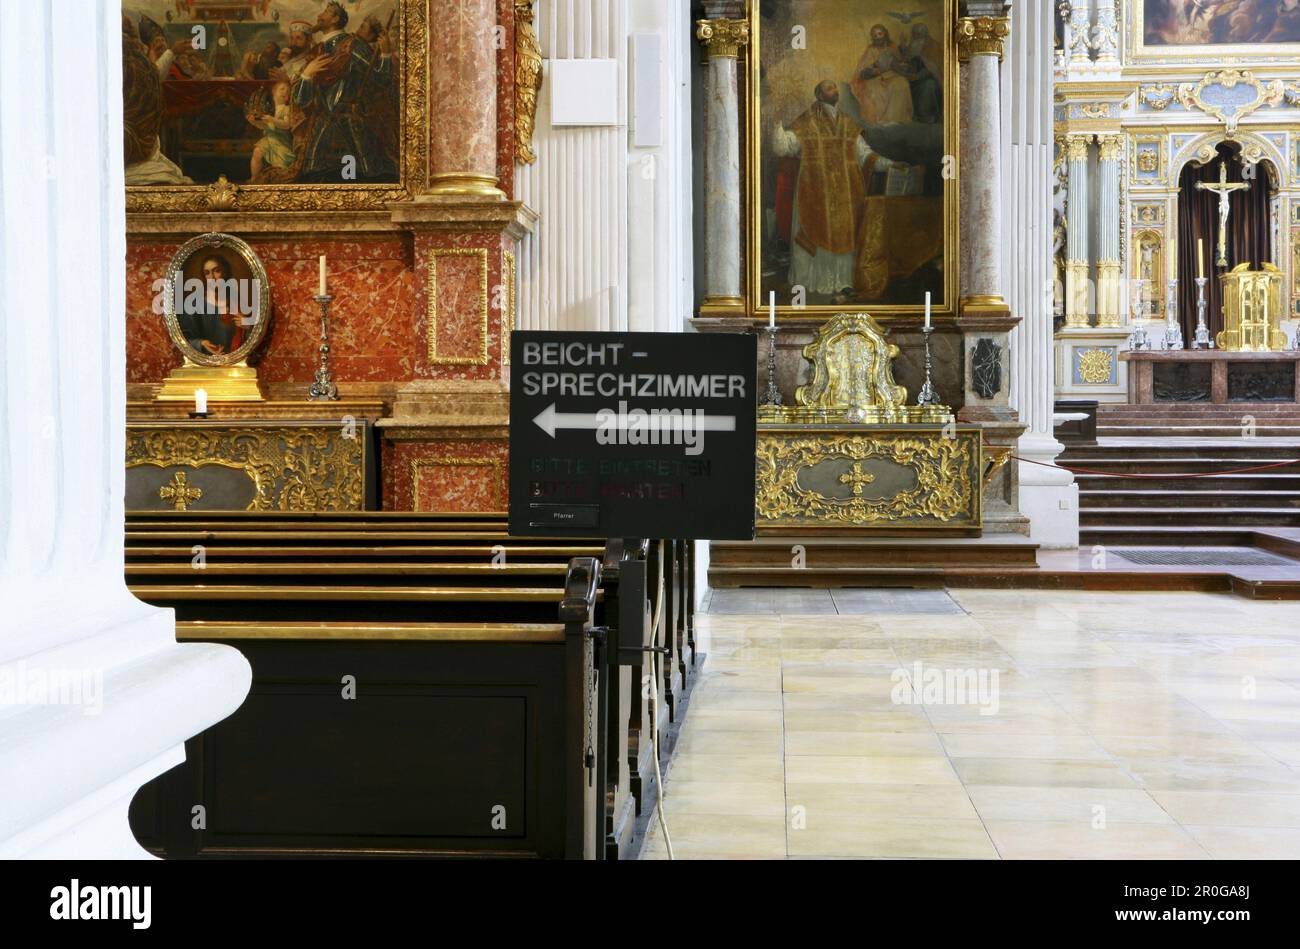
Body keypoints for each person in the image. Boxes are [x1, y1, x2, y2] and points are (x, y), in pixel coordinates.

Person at [772, 80, 895, 300]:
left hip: (846, 194)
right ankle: (811, 282)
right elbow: (784, 146)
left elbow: (865, 154)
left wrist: (889, 164)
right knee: (814, 232)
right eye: (829, 88)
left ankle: (844, 282)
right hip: (814, 192)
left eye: (835, 87)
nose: (835, 91)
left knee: (846, 236)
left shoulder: (848, 122)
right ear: (818, 94)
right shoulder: (806, 121)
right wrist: (776, 123)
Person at [292, 2, 396, 183]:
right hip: (320, 129)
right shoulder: (316, 51)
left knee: (369, 179)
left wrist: (386, 54)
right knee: (312, 179)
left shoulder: (352, 45)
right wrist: (307, 75)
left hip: (352, 128)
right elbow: (301, 99)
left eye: (326, 12)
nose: (319, 16)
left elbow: (380, 80)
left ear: (336, 19)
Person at [850, 24, 915, 125]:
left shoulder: (892, 47)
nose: (878, 37)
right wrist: (875, 70)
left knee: (902, 84)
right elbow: (862, 71)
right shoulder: (871, 50)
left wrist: (899, 65)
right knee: (877, 90)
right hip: (874, 77)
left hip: (892, 75)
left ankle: (896, 118)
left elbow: (900, 62)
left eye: (880, 33)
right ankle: (882, 120)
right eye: (875, 35)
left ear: (885, 33)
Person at [248, 82, 297, 181]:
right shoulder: (268, 109)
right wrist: (253, 122)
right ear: (274, 92)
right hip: (269, 139)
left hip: (281, 141)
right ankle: (254, 178)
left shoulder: (286, 109)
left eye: (287, 91)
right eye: (282, 89)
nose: (285, 92)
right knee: (257, 152)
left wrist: (272, 119)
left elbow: (287, 125)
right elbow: (265, 126)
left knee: (280, 165)